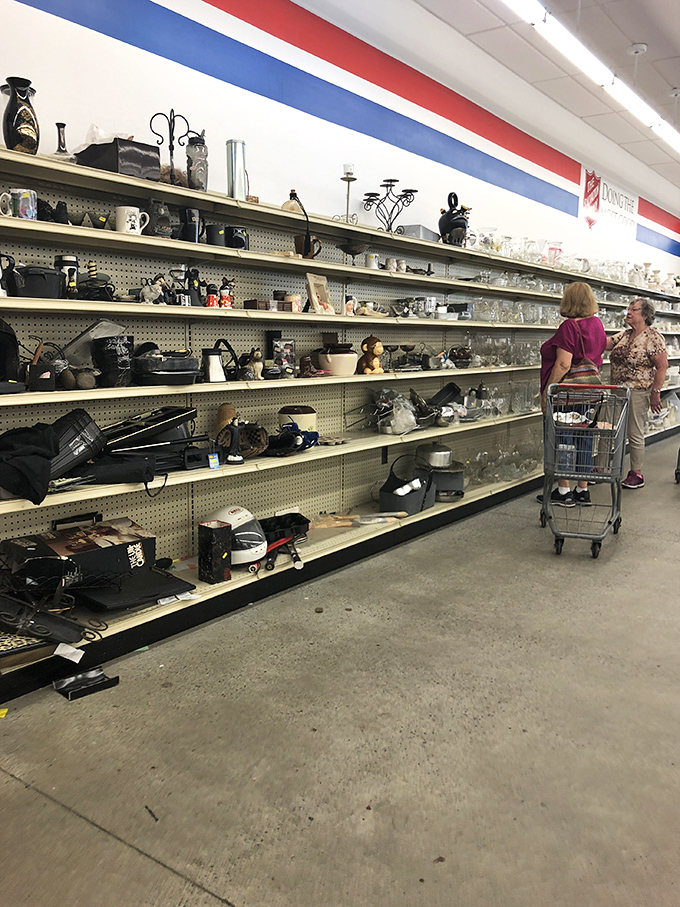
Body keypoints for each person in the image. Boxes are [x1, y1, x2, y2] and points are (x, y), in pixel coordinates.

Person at [539, 282, 607, 507]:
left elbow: (562, 364)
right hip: (590, 392)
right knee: (585, 438)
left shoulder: (568, 327)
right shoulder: (597, 324)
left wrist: (548, 392)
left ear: (568, 301)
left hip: (568, 394)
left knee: (563, 439)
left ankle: (564, 490)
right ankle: (582, 489)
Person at [605, 298, 667, 489]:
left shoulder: (654, 338)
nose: (629, 312)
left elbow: (662, 366)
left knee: (634, 432)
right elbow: (606, 343)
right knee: (606, 428)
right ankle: (600, 469)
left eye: (634, 309)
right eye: (628, 309)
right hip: (616, 391)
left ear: (645, 315)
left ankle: (636, 473)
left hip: (638, 391)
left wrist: (655, 393)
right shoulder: (624, 334)